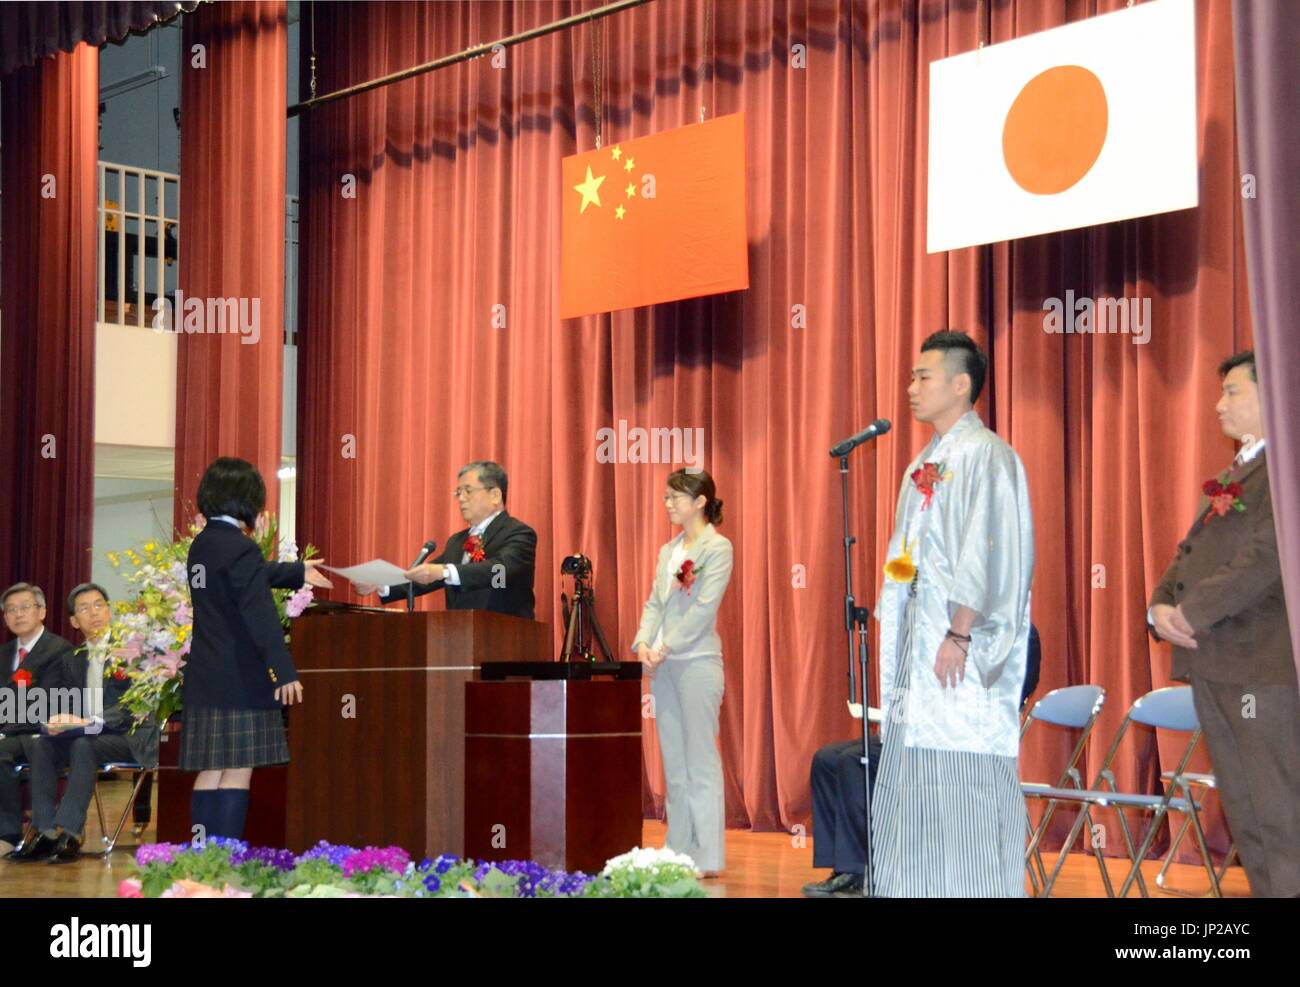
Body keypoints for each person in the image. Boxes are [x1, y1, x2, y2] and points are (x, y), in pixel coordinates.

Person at [870, 330, 1034, 897]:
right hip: (920, 652)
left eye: (924, 376)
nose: (911, 388)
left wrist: (960, 634)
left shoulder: (988, 456)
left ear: (961, 385)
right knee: (918, 783)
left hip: (958, 652)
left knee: (964, 784)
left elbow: (989, 553)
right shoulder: (926, 461)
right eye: (913, 377)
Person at [1148, 350, 1300, 897]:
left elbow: (1265, 559)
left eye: (1232, 391)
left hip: (1261, 665)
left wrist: (1190, 613)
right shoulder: (1236, 471)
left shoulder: (1285, 468)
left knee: (1280, 816)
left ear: (1274, 395)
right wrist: (1159, 605)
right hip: (1215, 663)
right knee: (1248, 816)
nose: (1218, 405)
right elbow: (1191, 554)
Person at [803, 625, 1041, 897]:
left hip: (959, 742)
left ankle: (860, 870)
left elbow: (1015, 690)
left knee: (856, 761)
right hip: (923, 729)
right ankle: (842, 866)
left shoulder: (1016, 632)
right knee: (826, 760)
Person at [181, 457, 331, 841]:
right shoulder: (241, 548)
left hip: (205, 676)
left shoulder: (205, 544)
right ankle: (227, 860)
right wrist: (283, 670)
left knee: (211, 770)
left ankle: (199, 859)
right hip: (240, 678)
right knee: (238, 769)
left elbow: (242, 577)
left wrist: (295, 571)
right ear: (248, 499)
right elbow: (259, 613)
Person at [10, 583, 159, 863]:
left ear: (109, 610)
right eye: (84, 608)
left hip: (128, 735)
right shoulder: (72, 659)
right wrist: (58, 721)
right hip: (86, 733)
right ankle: (45, 832)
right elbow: (66, 704)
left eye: (99, 605)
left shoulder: (133, 651)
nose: (94, 613)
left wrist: (89, 721)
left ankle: (71, 831)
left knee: (82, 745)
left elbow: (136, 705)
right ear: (74, 621)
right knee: (42, 744)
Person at [632, 469, 734, 877]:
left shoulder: (718, 547)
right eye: (666, 497)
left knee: (700, 759)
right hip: (663, 664)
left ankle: (707, 855)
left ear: (701, 502)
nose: (669, 504)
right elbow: (655, 603)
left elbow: (702, 609)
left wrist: (665, 646)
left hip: (696, 663)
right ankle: (678, 848)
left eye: (676, 497)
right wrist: (642, 643)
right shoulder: (667, 550)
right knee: (674, 759)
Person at [354, 461, 537, 620]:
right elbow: (427, 577)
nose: (461, 499)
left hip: (506, 641)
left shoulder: (519, 533)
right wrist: (381, 584)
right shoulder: (457, 542)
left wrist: (444, 571)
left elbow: (499, 570)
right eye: (458, 493)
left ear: (495, 495)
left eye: (468, 491)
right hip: (460, 638)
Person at [0, 583, 74, 856]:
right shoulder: (4, 653)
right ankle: (8, 832)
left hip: (45, 731)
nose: (18, 614)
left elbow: (48, 701)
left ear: (41, 611)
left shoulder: (60, 650)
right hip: (11, 733)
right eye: (10, 610)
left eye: (25, 607)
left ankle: (25, 832)